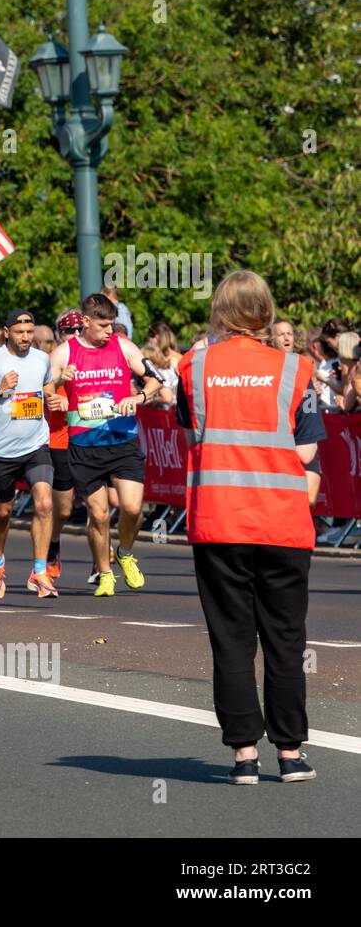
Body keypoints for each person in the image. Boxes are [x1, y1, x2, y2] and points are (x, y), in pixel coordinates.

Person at [175, 271, 322, 784]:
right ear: (265, 311)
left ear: (220, 312)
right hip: (282, 520)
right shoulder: (297, 368)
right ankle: (290, 753)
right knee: (286, 638)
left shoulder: (194, 366)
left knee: (231, 639)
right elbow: (306, 449)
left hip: (219, 519)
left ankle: (243, 755)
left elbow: (192, 431)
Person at [46, 292, 163, 596]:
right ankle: (105, 573)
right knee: (98, 514)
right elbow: (42, 389)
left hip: (122, 439)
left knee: (132, 507)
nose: (109, 330)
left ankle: (124, 553)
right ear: (85, 322)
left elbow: (155, 380)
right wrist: (59, 384)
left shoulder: (123, 346)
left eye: (112, 324)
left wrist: (137, 397)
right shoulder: (64, 353)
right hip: (84, 444)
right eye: (103, 325)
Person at [0, 311, 58, 599]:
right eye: (20, 332)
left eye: (29, 331)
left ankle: (40, 570)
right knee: (2, 512)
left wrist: (53, 398)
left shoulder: (42, 359)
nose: (26, 337)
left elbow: (47, 388)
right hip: (2, 450)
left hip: (36, 445)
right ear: (7, 332)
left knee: (44, 503)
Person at [45, 310, 85, 579]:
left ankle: (101, 561)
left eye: (79, 329)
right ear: (60, 334)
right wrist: (54, 392)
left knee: (102, 503)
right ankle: (53, 542)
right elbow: (41, 391)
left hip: (89, 439)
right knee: (64, 508)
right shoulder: (53, 361)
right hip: (59, 439)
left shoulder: (93, 360)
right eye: (68, 331)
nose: (74, 335)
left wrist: (71, 404)